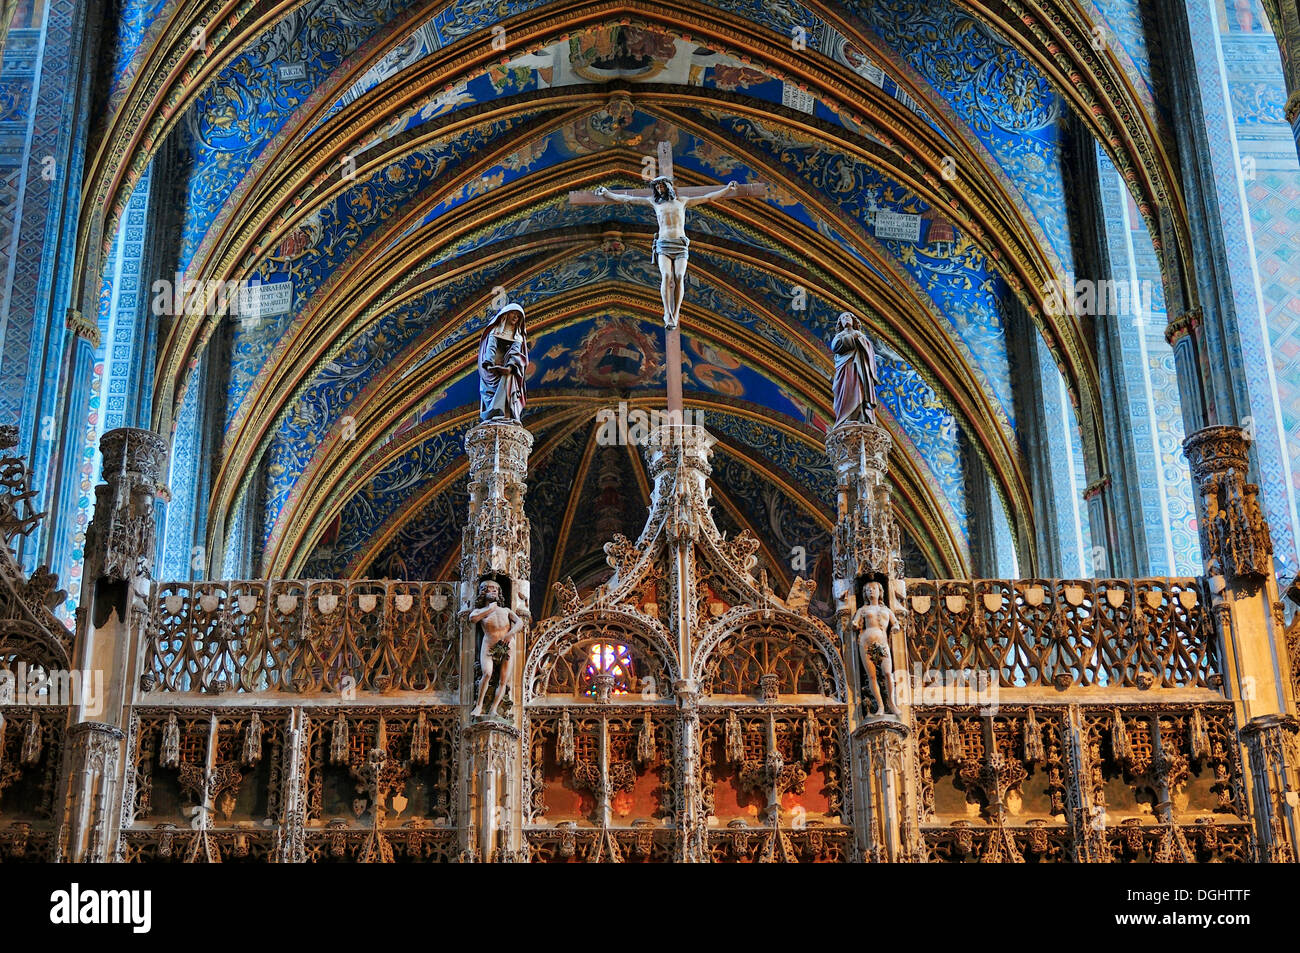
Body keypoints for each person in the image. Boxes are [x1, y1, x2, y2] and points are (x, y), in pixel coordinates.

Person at [594, 176, 738, 329]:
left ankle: (675, 314)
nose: (659, 189)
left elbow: (707, 198)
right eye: (657, 187)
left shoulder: (682, 201)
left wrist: (727, 189)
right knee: (667, 276)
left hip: (680, 244)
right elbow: (627, 199)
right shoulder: (654, 202)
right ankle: (667, 313)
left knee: (679, 276)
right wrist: (607, 194)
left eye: (661, 186)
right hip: (663, 244)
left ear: (668, 186)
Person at [469, 579, 524, 718]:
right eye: (489, 589)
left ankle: (494, 708)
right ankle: (479, 705)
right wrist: (490, 609)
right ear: (483, 592)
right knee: (487, 673)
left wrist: (510, 634)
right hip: (489, 644)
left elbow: (520, 622)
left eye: (495, 589)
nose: (492, 591)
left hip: (507, 645)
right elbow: (473, 618)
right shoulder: (480, 611)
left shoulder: (506, 610)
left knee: (503, 680)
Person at [851, 579, 897, 716]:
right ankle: (881, 706)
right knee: (872, 677)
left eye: (873, 589)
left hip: (882, 643)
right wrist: (854, 624)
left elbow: (896, 623)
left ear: (880, 592)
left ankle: (892, 704)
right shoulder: (863, 609)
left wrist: (895, 627)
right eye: (867, 590)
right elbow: (856, 622)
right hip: (865, 643)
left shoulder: (886, 610)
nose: (870, 591)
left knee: (888, 673)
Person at [478, 302, 528, 422]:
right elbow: (490, 348)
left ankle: (505, 413)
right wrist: (489, 365)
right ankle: (493, 413)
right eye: (513, 314)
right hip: (491, 368)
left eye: (518, 316)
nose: (515, 317)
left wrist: (510, 368)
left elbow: (515, 354)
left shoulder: (518, 337)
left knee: (509, 377)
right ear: (506, 315)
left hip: (506, 368)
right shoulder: (495, 331)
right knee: (499, 381)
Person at [831, 311, 880, 426]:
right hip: (845, 369)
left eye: (847, 316)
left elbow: (869, 349)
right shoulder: (840, 335)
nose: (845, 319)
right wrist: (853, 337)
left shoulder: (860, 334)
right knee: (845, 391)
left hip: (859, 370)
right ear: (840, 324)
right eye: (842, 318)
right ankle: (845, 418)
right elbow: (836, 346)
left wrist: (859, 339)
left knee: (859, 390)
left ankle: (861, 416)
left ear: (853, 320)